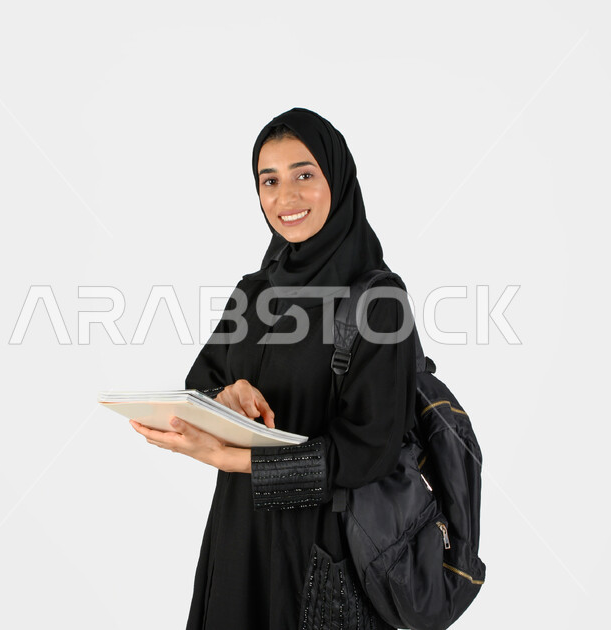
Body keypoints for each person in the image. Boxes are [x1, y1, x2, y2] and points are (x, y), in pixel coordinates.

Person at [130, 107, 418, 629]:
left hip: (324, 561)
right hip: (239, 542)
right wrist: (226, 397)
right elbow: (203, 381)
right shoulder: (254, 292)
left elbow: (369, 451)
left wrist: (236, 459)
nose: (285, 198)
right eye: (270, 180)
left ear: (338, 179)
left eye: (304, 175)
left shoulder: (377, 300)